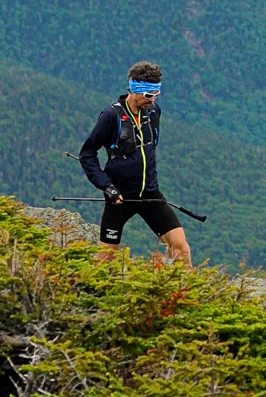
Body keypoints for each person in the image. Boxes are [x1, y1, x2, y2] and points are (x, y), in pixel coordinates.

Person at [77, 61, 192, 265]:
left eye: (156, 94)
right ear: (134, 89)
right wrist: (107, 186)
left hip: (150, 194)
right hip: (119, 197)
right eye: (148, 95)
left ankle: (184, 287)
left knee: (181, 249)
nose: (152, 100)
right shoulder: (111, 116)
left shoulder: (153, 112)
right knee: (106, 262)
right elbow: (87, 154)